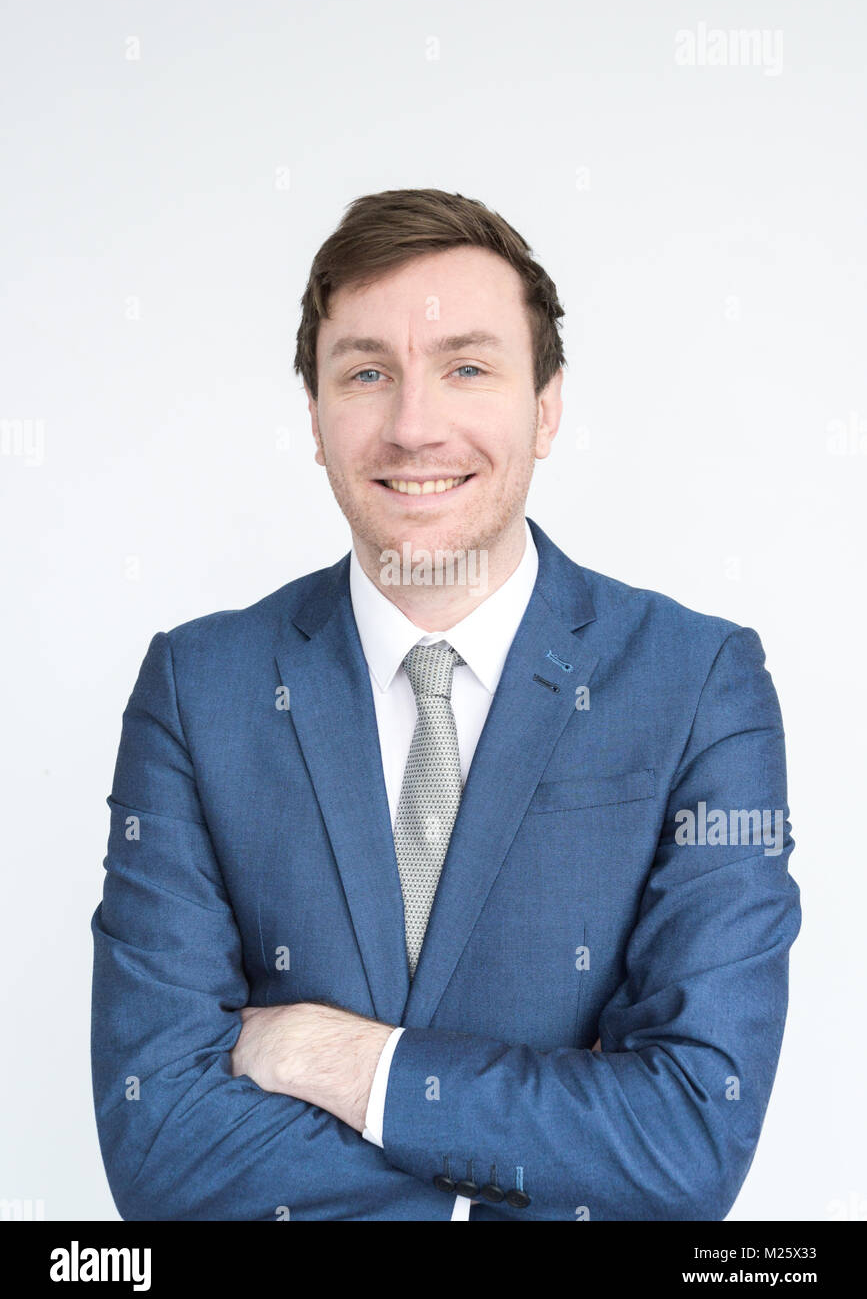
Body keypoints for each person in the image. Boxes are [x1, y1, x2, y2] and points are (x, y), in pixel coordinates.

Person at [90, 188, 801, 1221]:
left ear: (546, 406)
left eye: (466, 367)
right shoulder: (199, 692)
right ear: (316, 419)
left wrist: (338, 1057)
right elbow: (161, 1142)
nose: (414, 426)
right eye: (368, 373)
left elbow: (686, 1138)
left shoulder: (698, 686)